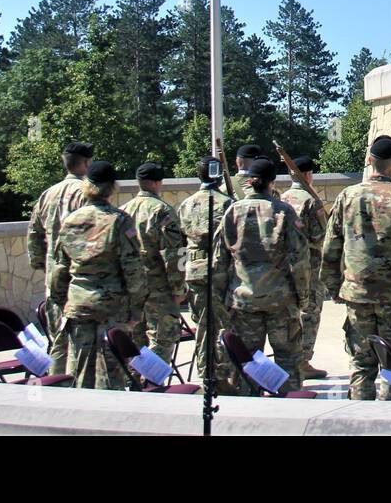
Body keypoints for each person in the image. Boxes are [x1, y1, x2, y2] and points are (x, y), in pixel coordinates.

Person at [320, 135, 391, 400]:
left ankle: (358, 420)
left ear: (370, 161)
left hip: (357, 294)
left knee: (360, 362)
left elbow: (331, 247)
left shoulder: (347, 196)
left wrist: (334, 287)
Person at [212, 155, 310, 394]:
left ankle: (249, 413)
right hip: (281, 301)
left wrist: (222, 300)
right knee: (288, 359)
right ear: (271, 183)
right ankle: (290, 411)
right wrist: (303, 297)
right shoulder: (283, 212)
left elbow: (219, 260)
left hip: (243, 302)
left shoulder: (232, 212)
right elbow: (299, 261)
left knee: (247, 362)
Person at [48, 160, 147, 390]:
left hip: (79, 305)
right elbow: (133, 269)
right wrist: (136, 308)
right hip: (112, 307)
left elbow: (59, 270)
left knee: (81, 368)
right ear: (112, 187)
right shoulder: (119, 221)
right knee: (112, 369)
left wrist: (62, 302)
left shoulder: (70, 221)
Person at [27, 140, 93, 373]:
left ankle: (56, 387)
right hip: (80, 280)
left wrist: (42, 265)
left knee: (58, 340)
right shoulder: (86, 193)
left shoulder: (47, 194)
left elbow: (34, 233)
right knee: (81, 343)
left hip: (54, 278)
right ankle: (78, 390)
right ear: (86, 163)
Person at [119, 162, 186, 363]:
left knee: (137, 339)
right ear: (158, 183)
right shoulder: (162, 211)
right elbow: (174, 254)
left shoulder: (123, 212)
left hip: (132, 288)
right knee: (163, 337)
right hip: (158, 287)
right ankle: (152, 383)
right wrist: (178, 289)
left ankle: (138, 383)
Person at [176, 156, 234, 385]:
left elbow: (182, 241)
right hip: (218, 268)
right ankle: (221, 371)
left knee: (202, 323)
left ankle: (204, 370)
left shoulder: (186, 204)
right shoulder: (226, 203)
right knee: (224, 323)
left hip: (193, 269)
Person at [278, 155, 329, 380]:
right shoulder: (310, 201)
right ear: (308, 175)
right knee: (310, 312)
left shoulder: (281, 198)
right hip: (309, 265)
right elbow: (320, 237)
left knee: (289, 314)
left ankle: (289, 357)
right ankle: (303, 360)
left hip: (284, 267)